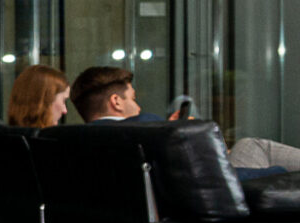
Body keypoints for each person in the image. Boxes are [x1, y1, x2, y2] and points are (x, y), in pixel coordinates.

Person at [71, 64, 300, 171]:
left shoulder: (78, 144)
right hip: (212, 205)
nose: (138, 107)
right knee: (252, 146)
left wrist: (170, 132)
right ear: (116, 102)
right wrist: (276, 173)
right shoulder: (143, 125)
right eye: (132, 98)